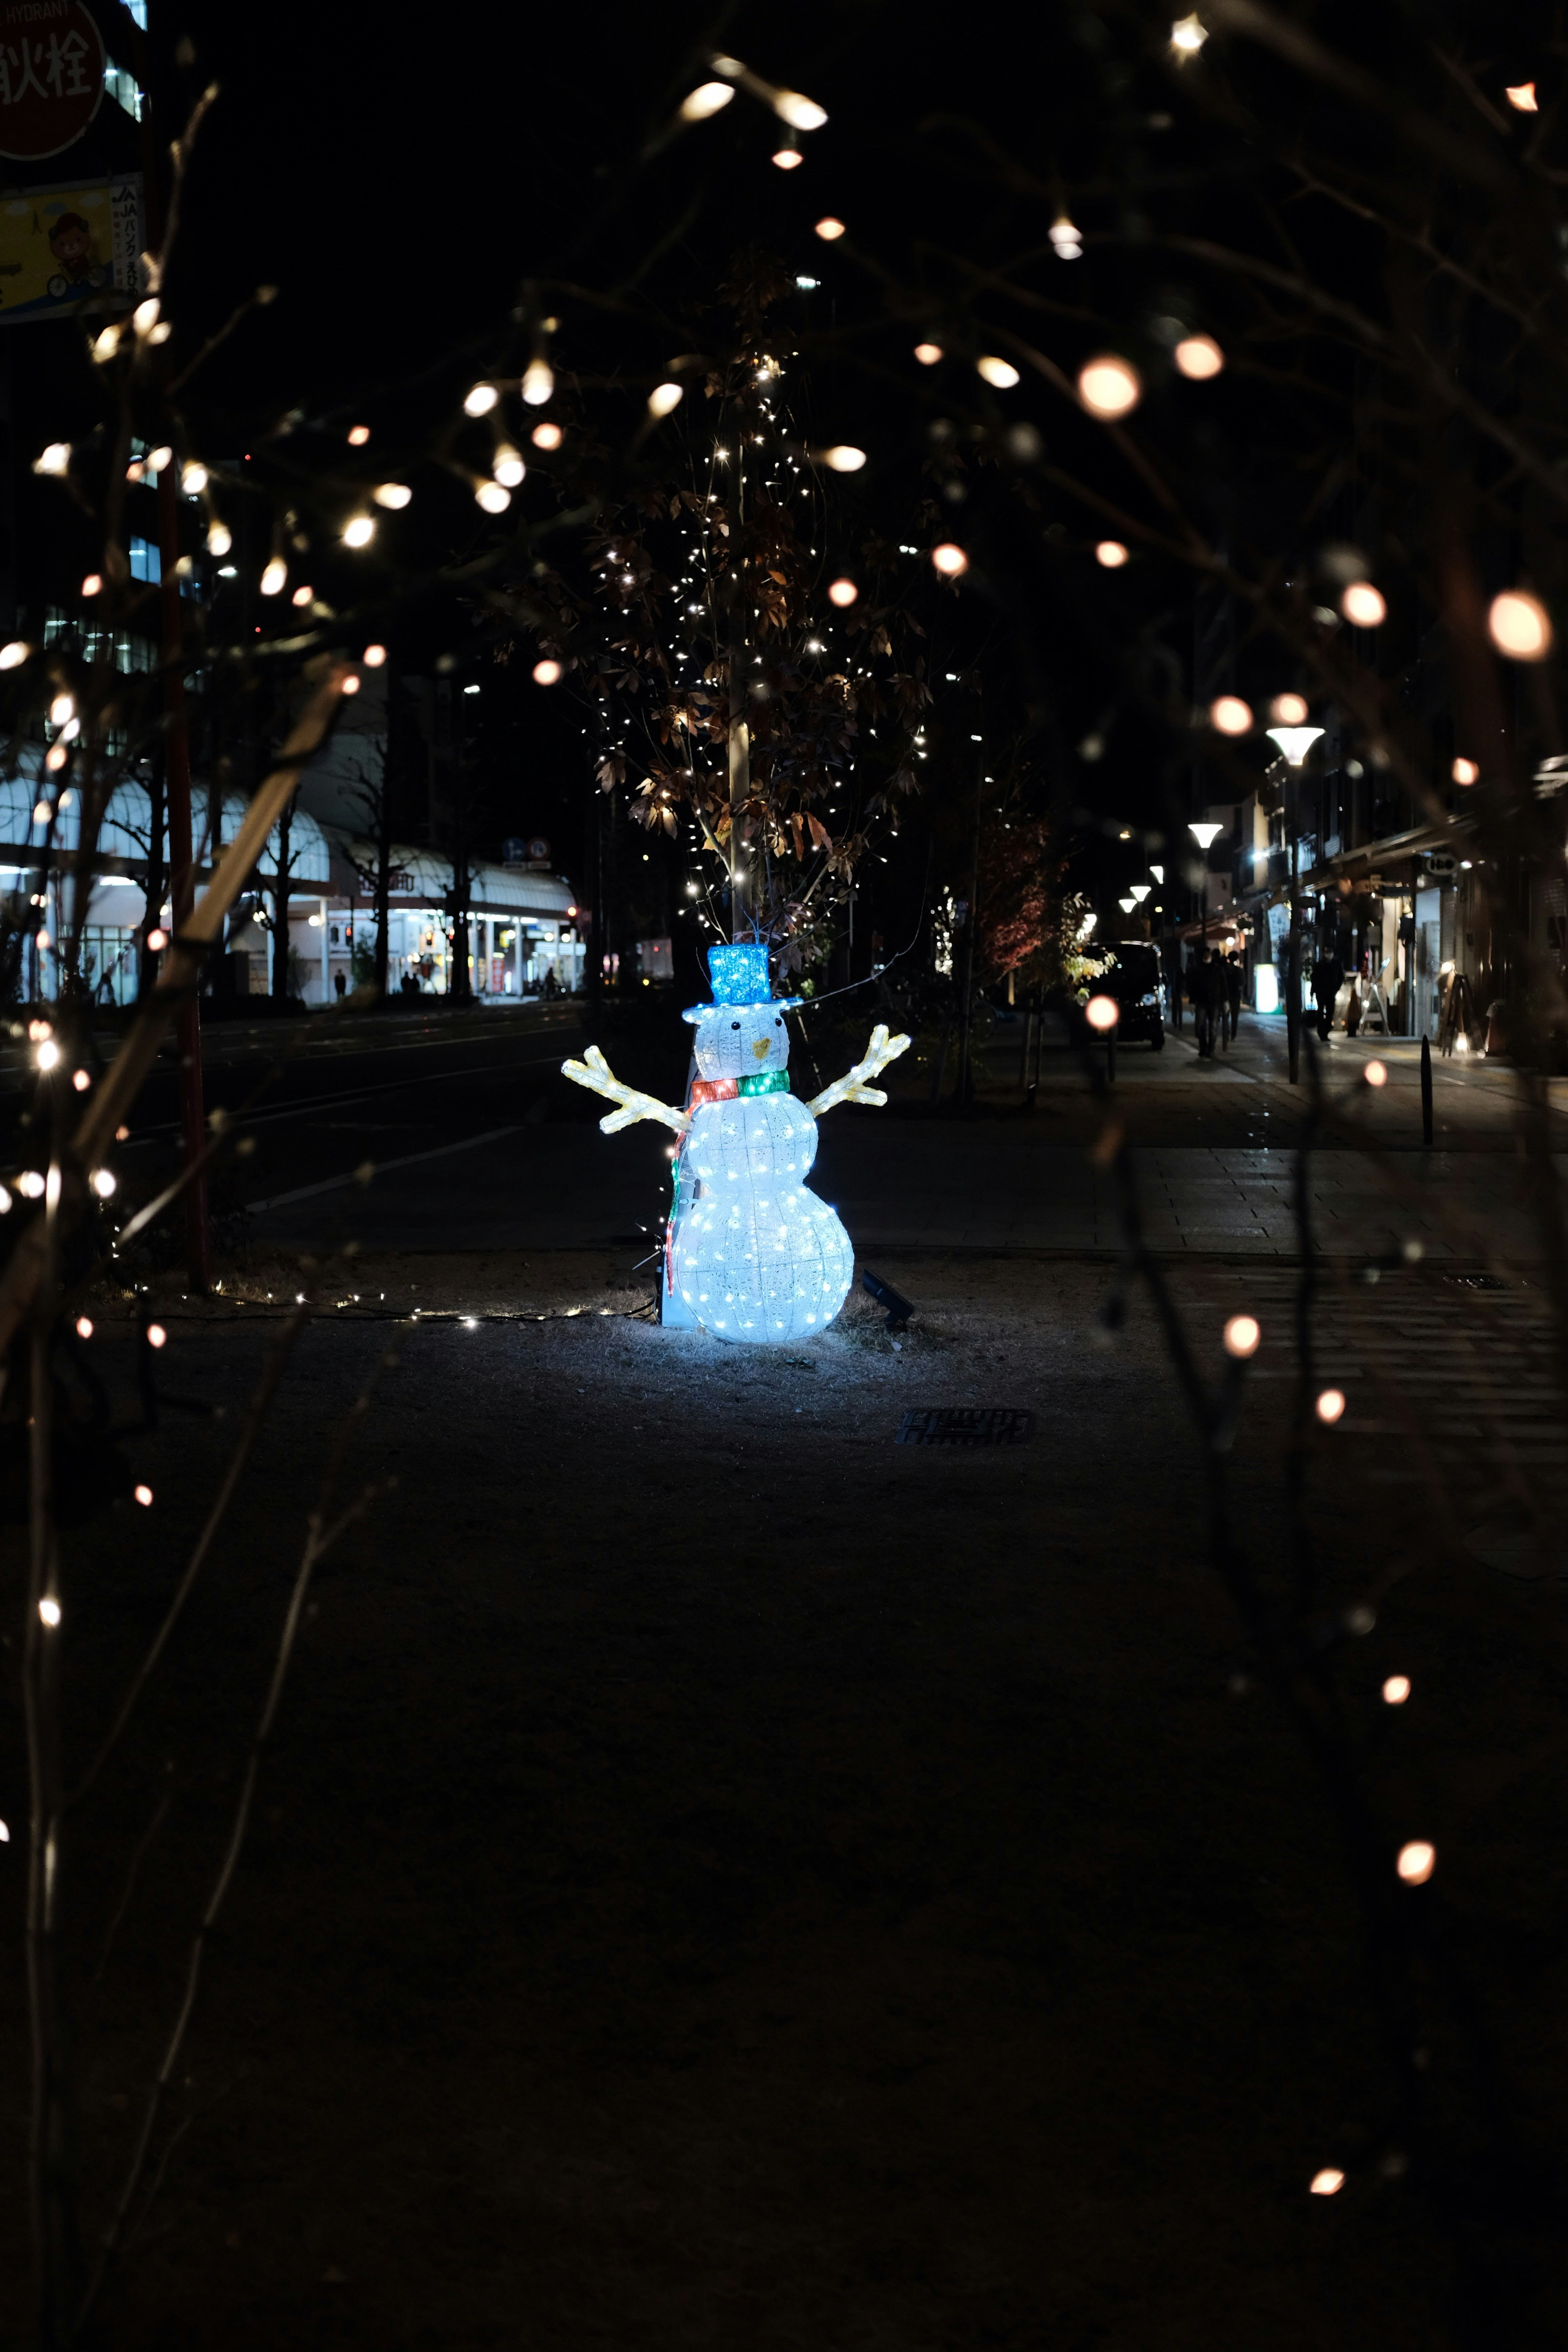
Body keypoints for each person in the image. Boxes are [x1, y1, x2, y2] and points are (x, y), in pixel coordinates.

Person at [1311, 944, 1344, 1043]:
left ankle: (1326, 1031)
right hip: (1321, 992)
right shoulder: (1320, 965)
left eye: (1330, 952)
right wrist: (1313, 992)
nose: (1329, 954)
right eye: (1327, 952)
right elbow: (1315, 979)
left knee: (1330, 1012)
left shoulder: (1336, 964)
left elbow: (1341, 977)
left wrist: (1336, 988)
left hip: (1331, 992)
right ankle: (1322, 1032)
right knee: (1320, 1012)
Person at [1192, 948, 1219, 1059]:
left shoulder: (1217, 969)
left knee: (1213, 1027)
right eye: (1205, 954)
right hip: (1202, 1001)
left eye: (1209, 954)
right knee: (1200, 1027)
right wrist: (1193, 1000)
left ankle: (1210, 1050)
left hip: (1214, 1002)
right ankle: (1203, 1047)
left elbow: (1223, 984)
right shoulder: (1198, 969)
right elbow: (1193, 986)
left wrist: (1225, 1000)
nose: (1207, 956)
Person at [1224, 951, 1243, 1045]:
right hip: (1236, 996)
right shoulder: (1239, 971)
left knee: (1225, 1015)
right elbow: (1242, 984)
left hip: (1226, 996)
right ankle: (1234, 1035)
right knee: (1235, 1017)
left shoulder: (1224, 970)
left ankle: (1226, 1033)